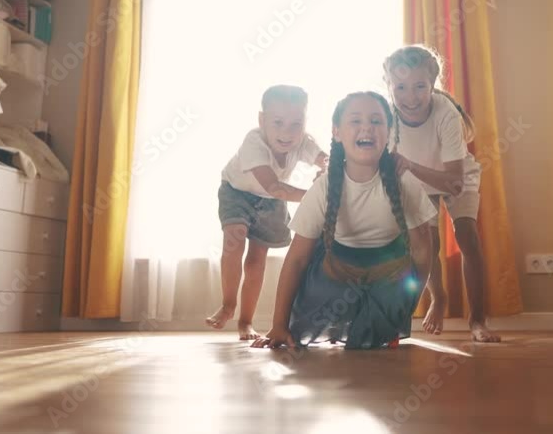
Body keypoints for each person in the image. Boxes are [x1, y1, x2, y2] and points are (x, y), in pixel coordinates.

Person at [251, 91, 436, 350]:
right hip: (336, 266)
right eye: (355, 121)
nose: (366, 128)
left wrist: (407, 304)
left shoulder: (404, 183)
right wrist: (279, 324)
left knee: (387, 304)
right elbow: (297, 259)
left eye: (376, 121)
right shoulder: (324, 187)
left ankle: (381, 318)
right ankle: (342, 321)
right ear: (337, 132)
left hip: (389, 267)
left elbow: (423, 249)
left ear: (389, 133)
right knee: (325, 291)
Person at [383, 44, 501, 342]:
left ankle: (477, 321)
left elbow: (454, 182)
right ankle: (439, 298)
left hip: (455, 177)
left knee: (467, 236)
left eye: (420, 87)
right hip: (419, 181)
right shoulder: (385, 116)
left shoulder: (446, 114)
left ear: (433, 84)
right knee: (427, 241)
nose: (410, 97)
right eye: (401, 87)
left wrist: (409, 165)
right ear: (388, 85)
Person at [207, 85, 328, 340]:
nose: (287, 132)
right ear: (262, 120)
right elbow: (274, 186)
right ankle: (228, 303)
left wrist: (328, 171)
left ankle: (246, 322)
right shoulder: (254, 142)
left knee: (256, 260)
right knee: (235, 236)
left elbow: (325, 158)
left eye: (296, 124)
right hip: (238, 192)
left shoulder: (303, 141)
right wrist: (314, 196)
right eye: (278, 123)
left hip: (272, 201)